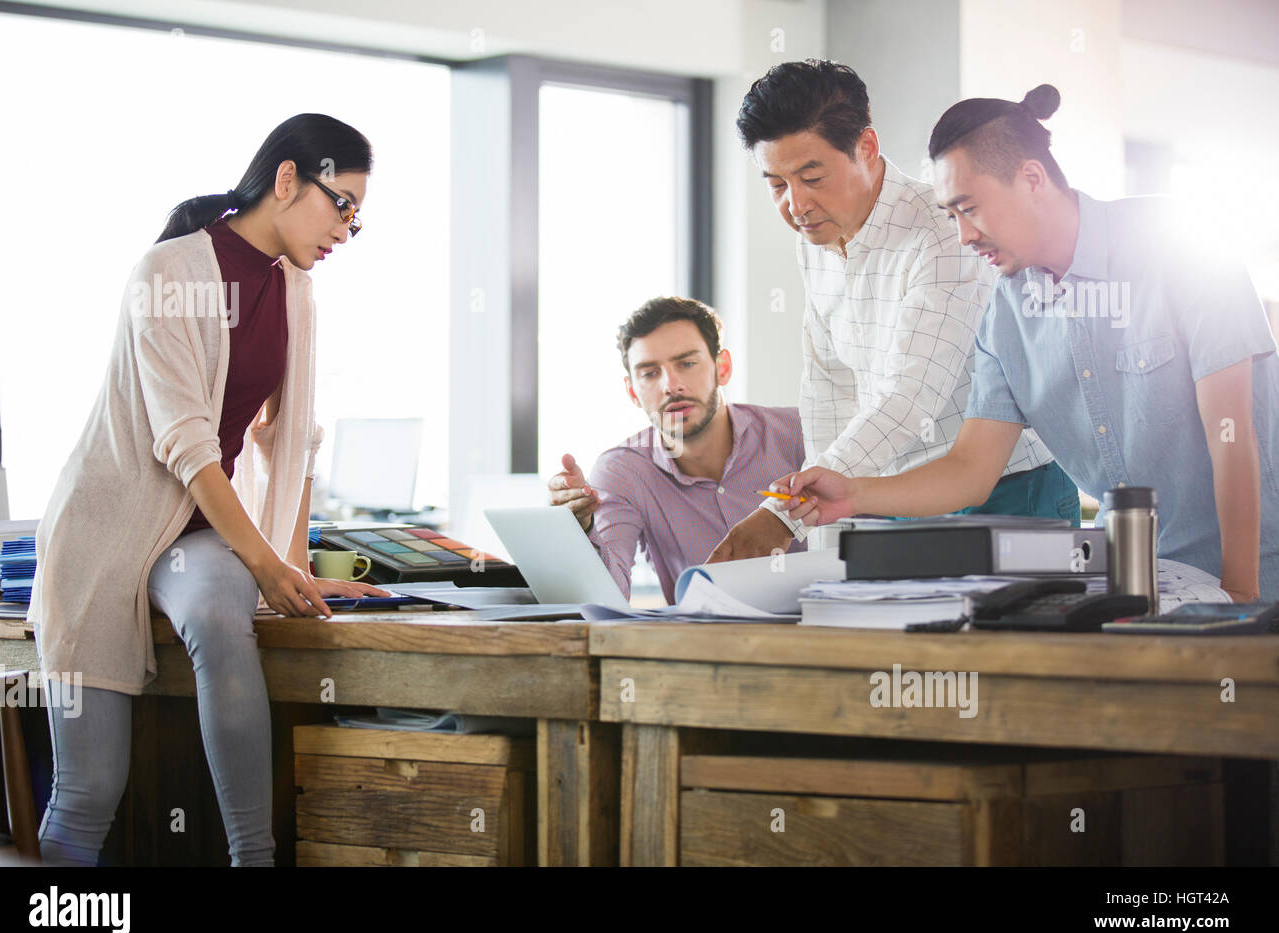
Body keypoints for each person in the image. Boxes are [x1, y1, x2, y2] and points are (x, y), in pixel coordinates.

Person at [26, 113, 392, 866]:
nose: (348, 231)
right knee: (89, 794)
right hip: (104, 534)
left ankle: (251, 859)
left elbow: (292, 439)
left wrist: (295, 568)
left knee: (224, 613)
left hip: (197, 538)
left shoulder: (297, 292)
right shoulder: (167, 273)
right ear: (288, 178)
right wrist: (265, 564)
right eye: (343, 205)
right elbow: (189, 447)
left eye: (360, 216)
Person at [769, 84, 1279, 602]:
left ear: (1032, 178)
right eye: (950, 215)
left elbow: (1232, 437)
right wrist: (853, 493)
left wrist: (1239, 596)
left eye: (969, 208)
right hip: (1141, 574)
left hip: (1257, 567)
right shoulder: (1006, 312)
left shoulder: (1180, 244)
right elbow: (970, 470)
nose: (964, 236)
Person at [709, 60, 1078, 563]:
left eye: (811, 176)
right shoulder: (815, 240)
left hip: (1007, 492)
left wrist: (784, 513)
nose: (796, 204)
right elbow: (828, 387)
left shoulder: (945, 230)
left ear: (866, 148)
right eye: (776, 185)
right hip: (891, 501)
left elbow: (910, 396)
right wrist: (821, 545)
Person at [548, 296, 806, 603]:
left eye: (687, 363)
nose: (671, 385)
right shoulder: (623, 472)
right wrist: (579, 532)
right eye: (649, 373)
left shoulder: (799, 433)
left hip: (828, 636)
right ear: (632, 391)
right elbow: (607, 598)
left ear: (721, 368)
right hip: (703, 647)